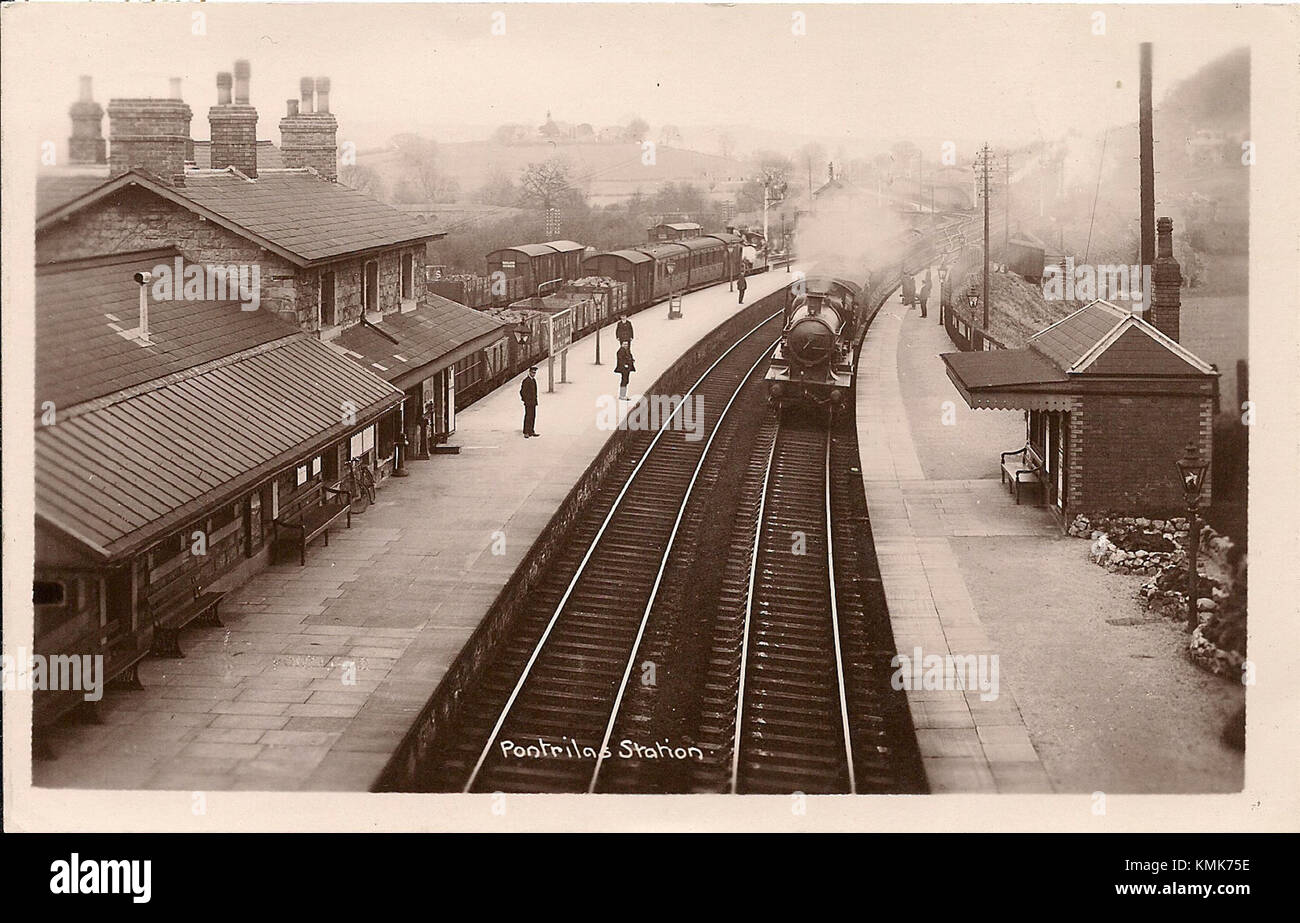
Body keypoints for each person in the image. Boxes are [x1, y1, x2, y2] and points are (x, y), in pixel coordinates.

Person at [519, 366, 540, 437]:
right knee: (528, 416)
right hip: (528, 402)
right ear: (529, 372)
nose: (534, 374)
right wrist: (525, 400)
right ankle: (526, 432)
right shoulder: (526, 381)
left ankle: (531, 430)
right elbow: (522, 392)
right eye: (533, 373)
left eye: (534, 373)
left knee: (533, 416)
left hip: (533, 402)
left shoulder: (533, 380)